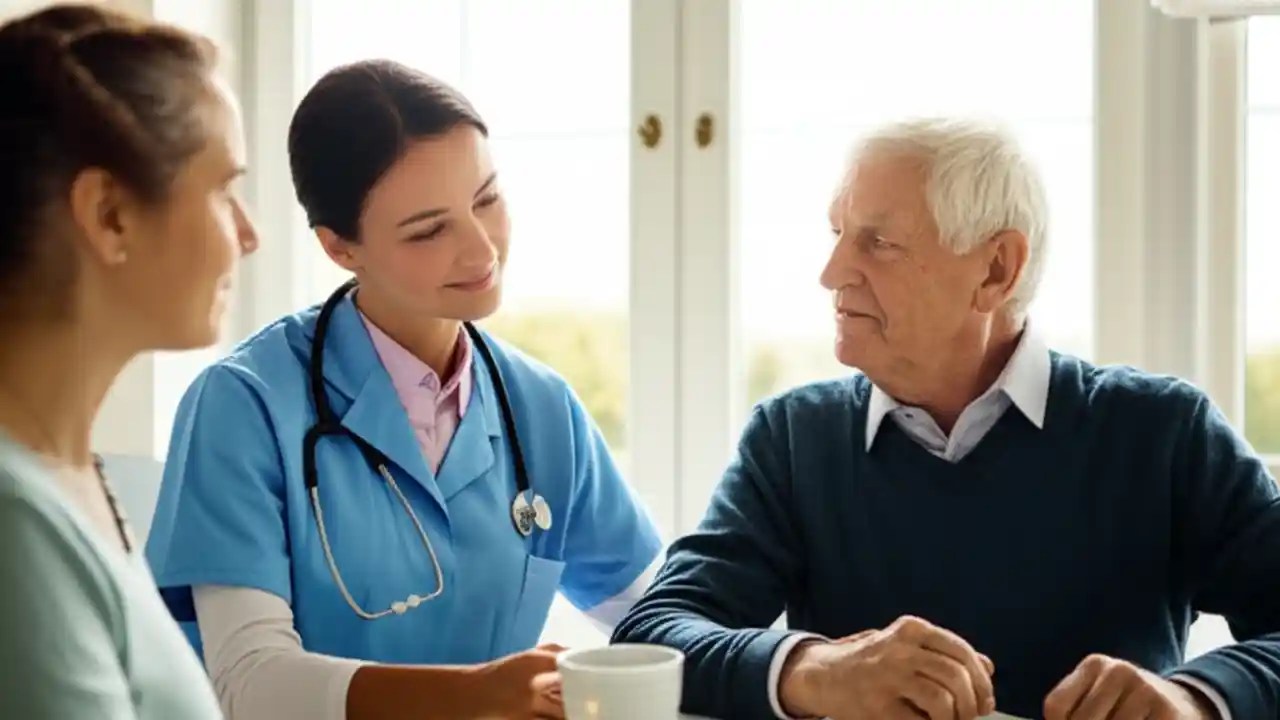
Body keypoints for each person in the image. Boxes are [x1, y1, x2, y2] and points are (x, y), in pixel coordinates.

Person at [613, 118, 1280, 720]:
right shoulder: (792, 441)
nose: (831, 272)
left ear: (996, 269)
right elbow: (653, 634)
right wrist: (813, 670)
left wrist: (1196, 698)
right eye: (838, 233)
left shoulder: (1162, 433)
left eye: (878, 242)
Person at [143, 59, 664, 720]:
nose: (481, 252)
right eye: (428, 230)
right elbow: (250, 683)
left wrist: (797, 664)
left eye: (487, 199)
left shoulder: (541, 408)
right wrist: (475, 695)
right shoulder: (243, 405)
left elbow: (662, 615)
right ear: (340, 248)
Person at [0, 4, 258, 718]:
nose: (248, 235)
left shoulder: (76, 483)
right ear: (109, 215)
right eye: (224, 189)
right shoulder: (14, 527)